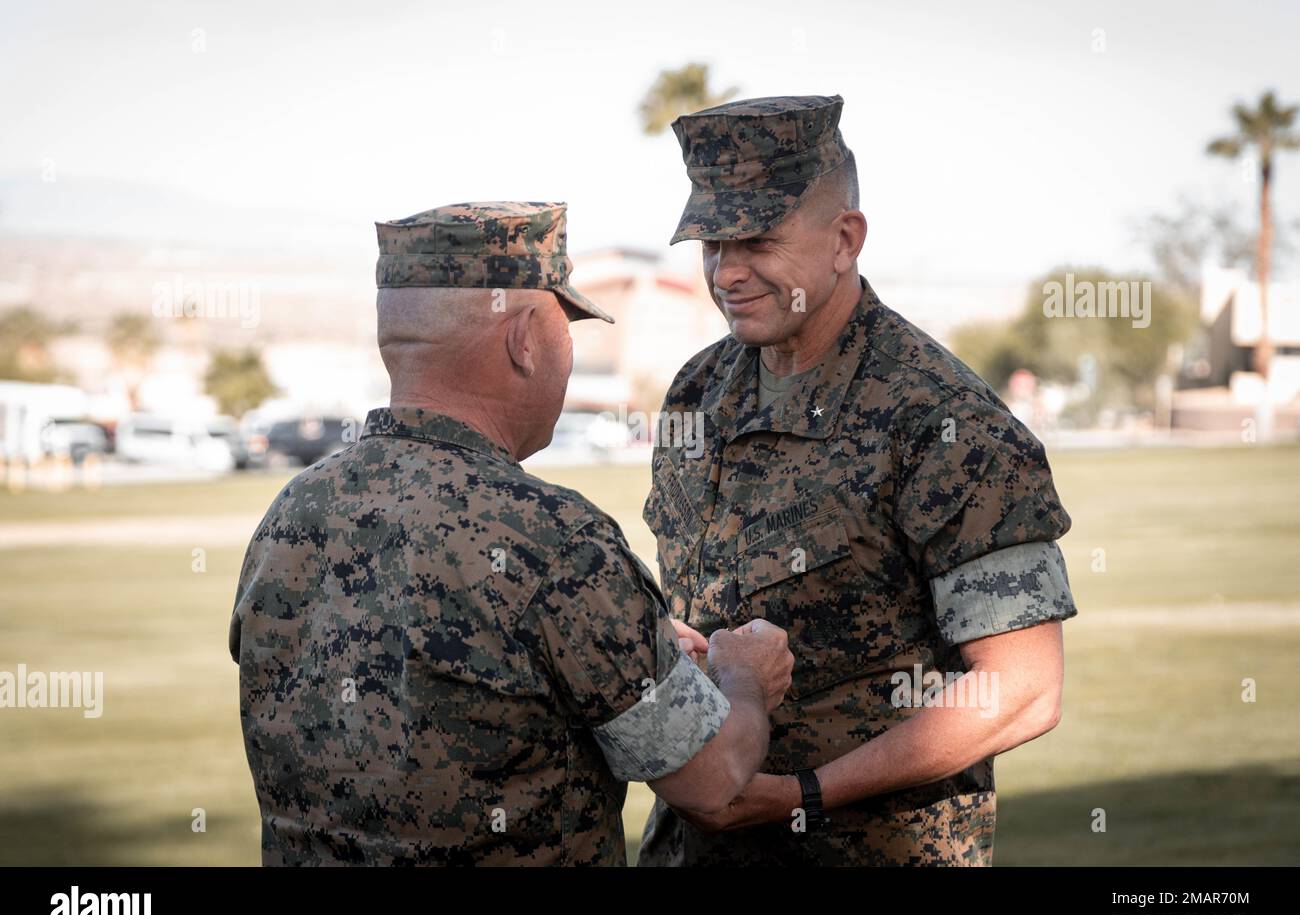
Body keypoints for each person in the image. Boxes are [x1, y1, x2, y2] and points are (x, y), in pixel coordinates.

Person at [229, 200, 794, 865]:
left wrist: (618, 650)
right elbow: (711, 783)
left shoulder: (291, 514)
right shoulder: (555, 540)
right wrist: (744, 678)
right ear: (524, 338)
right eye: (566, 328)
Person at [637, 97, 1078, 866]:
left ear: (845, 240)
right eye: (712, 242)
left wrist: (803, 794)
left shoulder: (943, 422)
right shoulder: (697, 393)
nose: (727, 271)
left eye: (758, 241)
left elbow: (1022, 690)